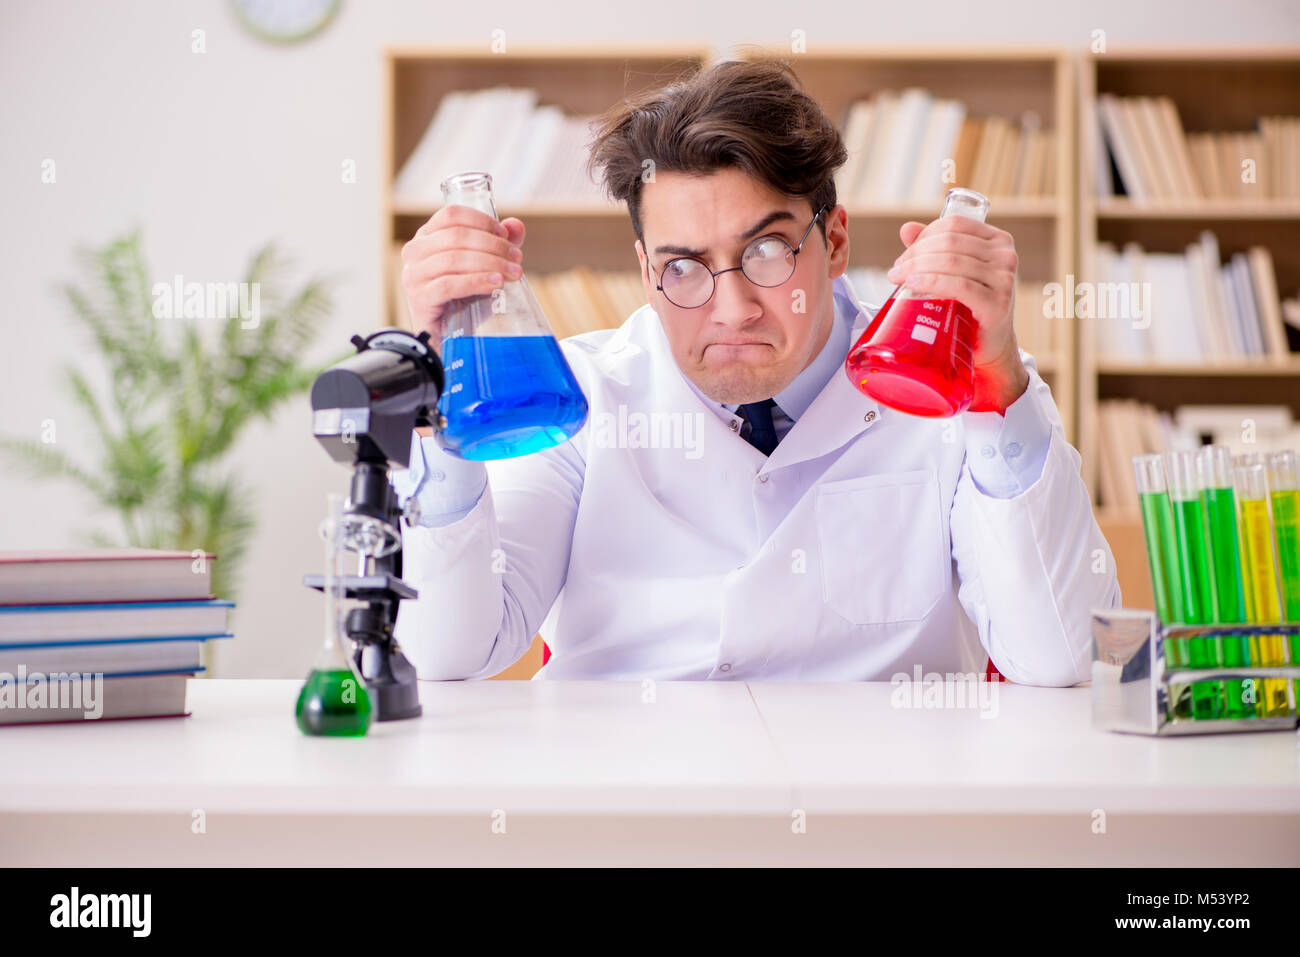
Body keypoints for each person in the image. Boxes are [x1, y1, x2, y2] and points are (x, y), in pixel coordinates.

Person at [391, 58, 1120, 683]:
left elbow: (1061, 654)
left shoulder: (953, 386)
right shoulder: (583, 395)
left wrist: (994, 385)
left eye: (768, 252)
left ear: (833, 242)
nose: (732, 308)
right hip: (626, 805)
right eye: (683, 266)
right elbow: (449, 653)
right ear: (646, 273)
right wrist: (437, 382)